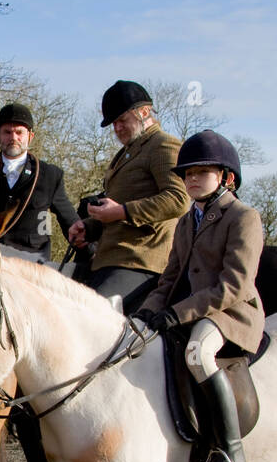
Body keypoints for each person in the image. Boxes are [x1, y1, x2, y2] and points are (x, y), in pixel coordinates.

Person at [132, 130, 264, 462]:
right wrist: (147, 312)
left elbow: (234, 284)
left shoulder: (244, 217)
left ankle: (230, 452)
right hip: (191, 310)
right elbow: (169, 278)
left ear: (227, 178)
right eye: (187, 174)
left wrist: (178, 314)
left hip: (230, 312)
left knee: (197, 354)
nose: (191, 179)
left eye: (201, 172)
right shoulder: (184, 222)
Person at [67, 80, 190, 310]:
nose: (117, 128)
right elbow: (116, 211)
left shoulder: (164, 146)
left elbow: (178, 199)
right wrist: (90, 227)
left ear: (144, 112)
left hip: (142, 260)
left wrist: (120, 211)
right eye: (114, 123)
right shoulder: (126, 153)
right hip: (109, 258)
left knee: (90, 317)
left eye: (122, 120)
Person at [0, 102, 79, 265]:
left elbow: (70, 221)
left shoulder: (51, 175)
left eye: (19, 132)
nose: (13, 138)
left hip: (32, 266)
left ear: (30, 136)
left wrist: (90, 250)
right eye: (7, 132)